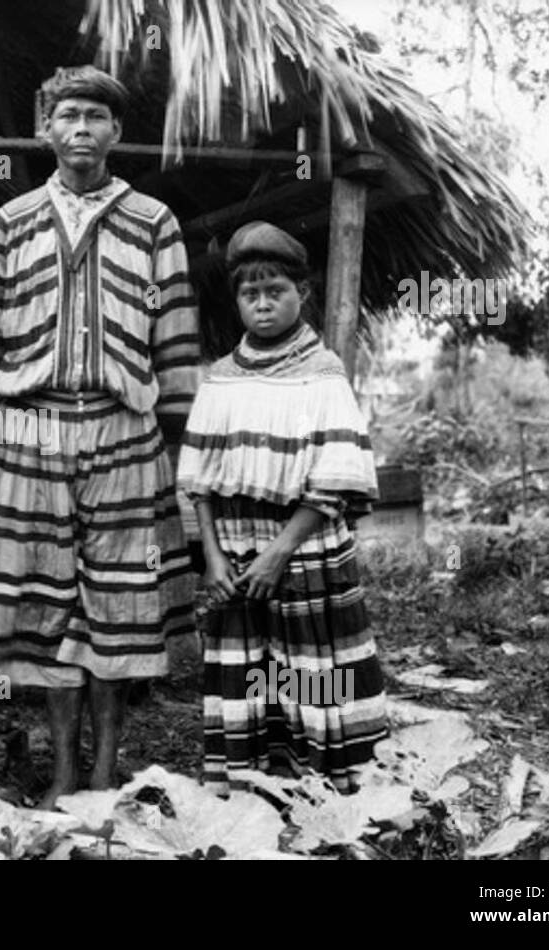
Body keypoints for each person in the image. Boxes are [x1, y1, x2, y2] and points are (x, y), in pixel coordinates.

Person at [0, 65, 201, 808]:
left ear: (116, 132)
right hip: (29, 429)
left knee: (119, 606)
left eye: (97, 116)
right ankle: (63, 769)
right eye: (69, 115)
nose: (83, 129)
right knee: (45, 606)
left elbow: (176, 339)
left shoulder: (154, 221)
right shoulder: (11, 221)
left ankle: (105, 769)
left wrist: (172, 438)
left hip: (123, 429)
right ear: (47, 129)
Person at [177, 220, 389, 796]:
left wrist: (279, 552)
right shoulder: (220, 379)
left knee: (310, 669)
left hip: (301, 550)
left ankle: (322, 785)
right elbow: (199, 482)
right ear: (237, 300)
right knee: (250, 668)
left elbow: (334, 480)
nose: (263, 305)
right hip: (237, 552)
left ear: (303, 294)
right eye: (251, 294)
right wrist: (215, 559)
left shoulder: (321, 376)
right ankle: (253, 788)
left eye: (277, 292)